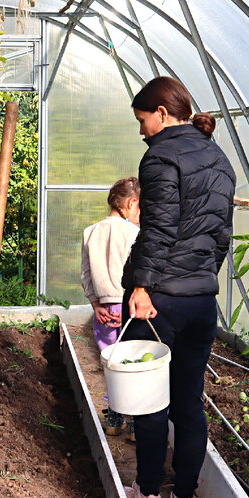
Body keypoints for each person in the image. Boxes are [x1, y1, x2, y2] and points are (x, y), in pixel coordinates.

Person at [120, 77, 235, 498]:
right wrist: (203, 277)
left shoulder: (161, 156)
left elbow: (159, 228)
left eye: (143, 120)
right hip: (201, 301)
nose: (142, 130)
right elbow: (221, 235)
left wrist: (142, 286)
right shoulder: (219, 159)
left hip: (161, 299)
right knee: (189, 401)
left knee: (148, 399)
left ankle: (148, 496)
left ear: (163, 115)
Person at [81, 177, 140, 437]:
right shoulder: (132, 233)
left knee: (111, 363)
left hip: (103, 310)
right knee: (134, 363)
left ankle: (115, 419)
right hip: (128, 306)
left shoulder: (91, 231)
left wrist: (96, 305)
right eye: (141, 208)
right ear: (131, 203)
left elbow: (86, 274)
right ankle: (137, 421)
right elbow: (137, 272)